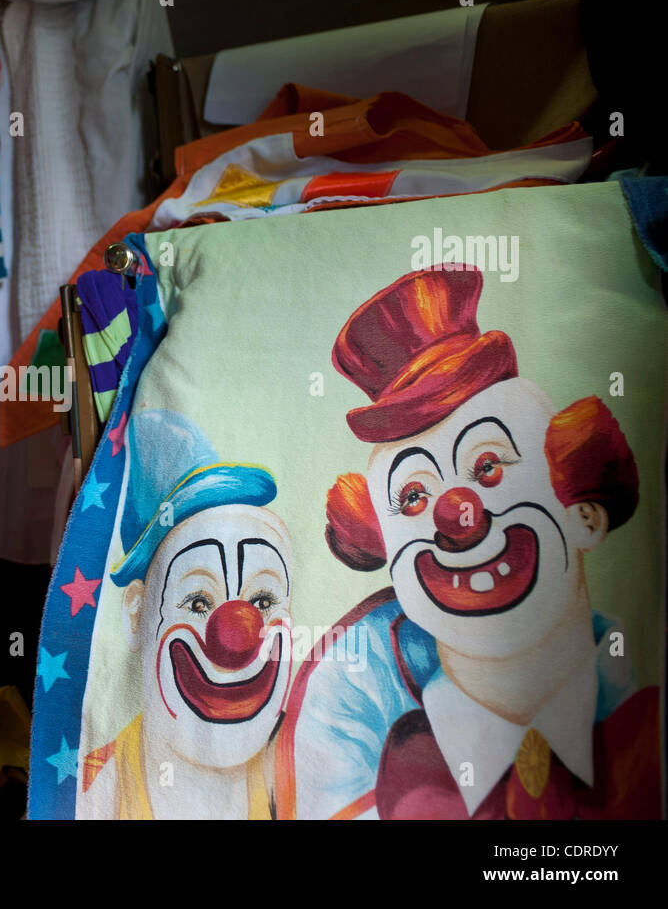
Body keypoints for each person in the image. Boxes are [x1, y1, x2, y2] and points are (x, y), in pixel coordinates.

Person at [278, 265, 658, 820]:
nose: (457, 517)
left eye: (488, 467)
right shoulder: (364, 768)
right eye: (412, 497)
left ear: (584, 511)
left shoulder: (647, 724)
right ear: (385, 553)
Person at [79, 410, 292, 819]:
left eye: (263, 601)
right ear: (137, 615)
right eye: (198, 602)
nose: (235, 636)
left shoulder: (317, 775)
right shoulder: (89, 793)